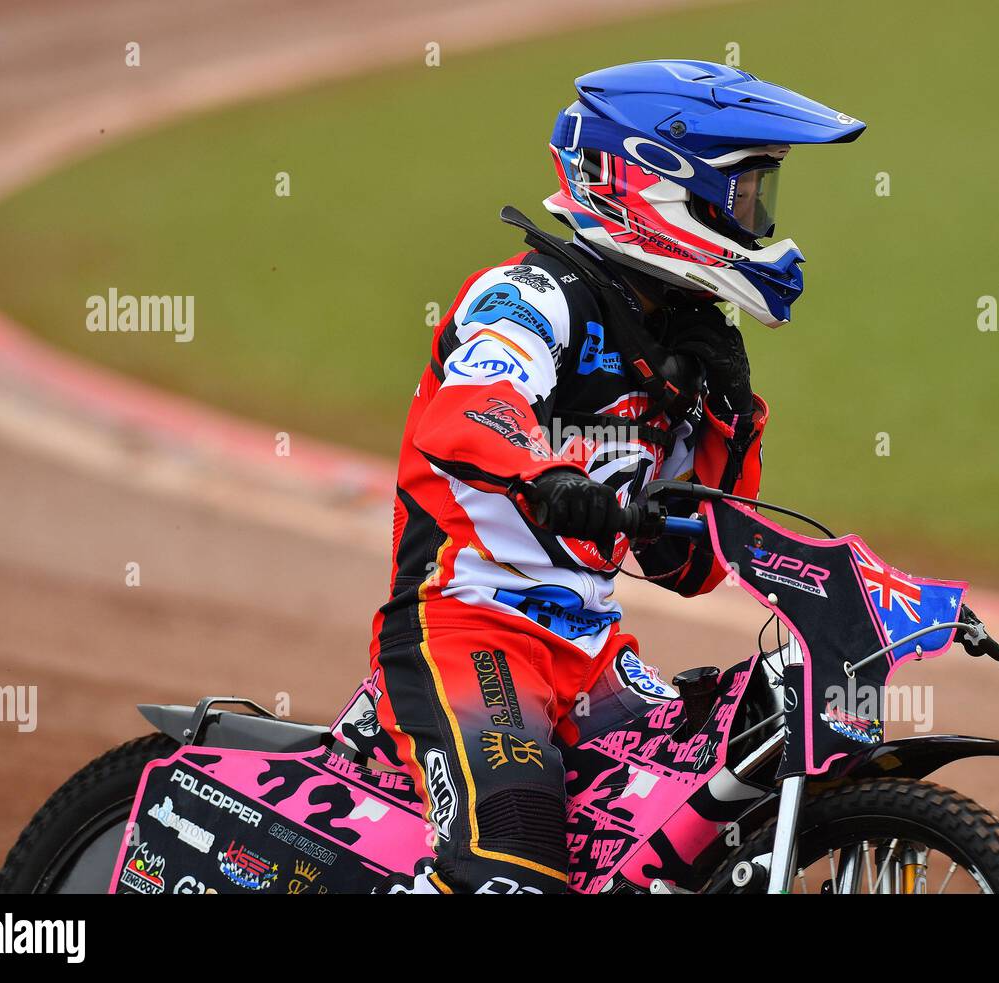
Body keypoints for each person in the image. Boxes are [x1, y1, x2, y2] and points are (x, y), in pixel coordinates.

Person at [331, 59, 864, 893]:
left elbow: (689, 566)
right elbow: (467, 410)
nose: (758, 221)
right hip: (465, 633)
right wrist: (545, 475)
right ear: (654, 189)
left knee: (722, 779)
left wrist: (733, 415)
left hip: (590, 651)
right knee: (513, 866)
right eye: (745, 195)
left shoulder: (680, 338)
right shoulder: (530, 295)